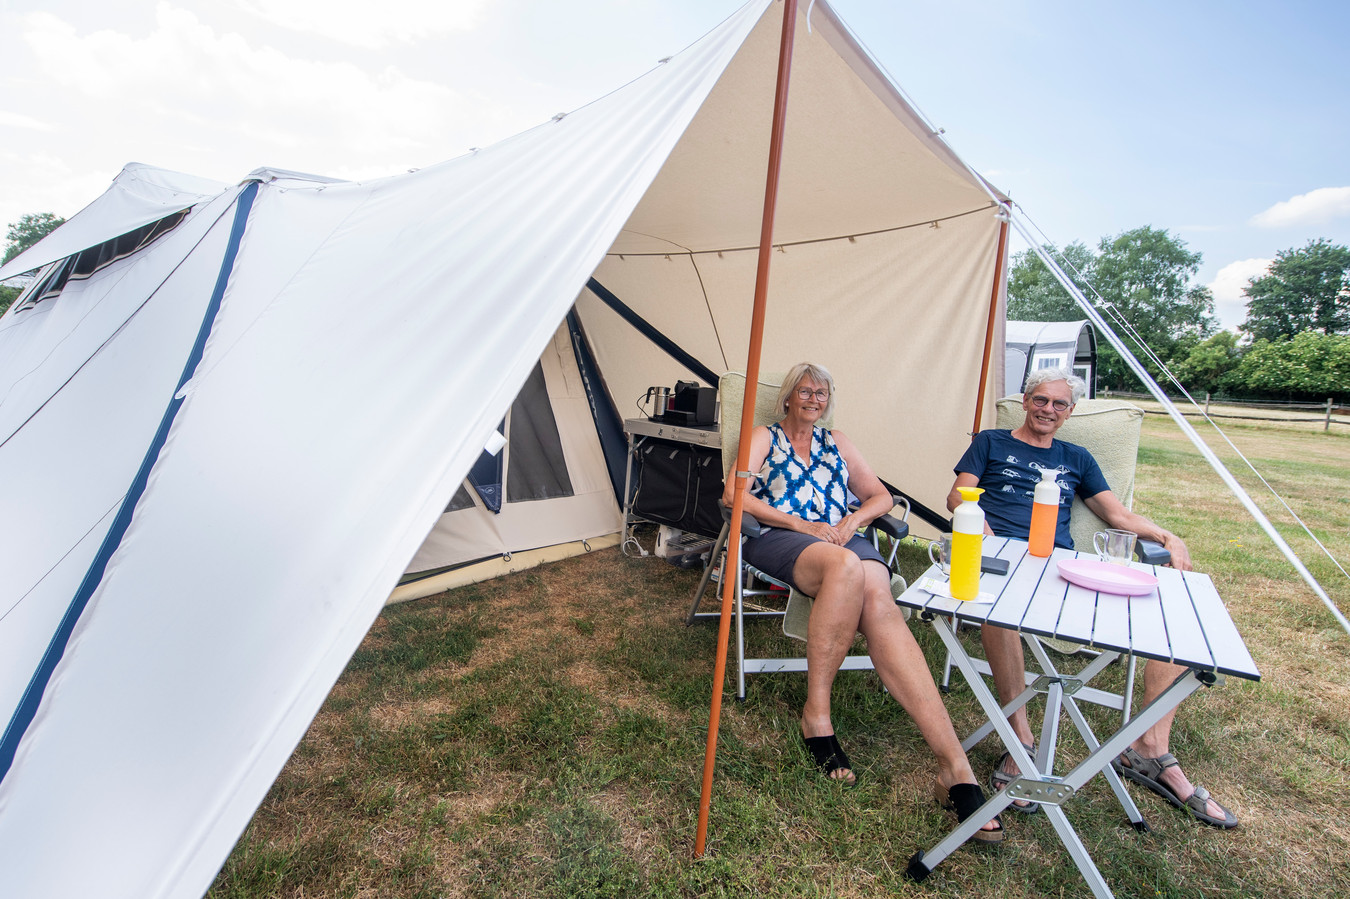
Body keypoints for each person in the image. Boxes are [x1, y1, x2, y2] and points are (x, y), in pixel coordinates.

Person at [947, 366, 1238, 828]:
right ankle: (1019, 738)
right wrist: (974, 517)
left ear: (1070, 412)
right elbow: (959, 491)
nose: (1048, 410)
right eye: (1041, 400)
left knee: (1175, 603)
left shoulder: (1076, 457)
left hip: (1056, 563)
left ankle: (1150, 747)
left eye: (1059, 404)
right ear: (1025, 401)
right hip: (999, 558)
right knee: (999, 613)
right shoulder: (991, 442)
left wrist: (1166, 534)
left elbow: (1115, 514)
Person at [731, 362, 1002, 842]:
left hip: (840, 535)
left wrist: (855, 520)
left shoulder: (838, 442)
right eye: (805, 390)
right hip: (779, 534)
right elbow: (736, 493)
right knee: (848, 568)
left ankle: (954, 768)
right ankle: (817, 715)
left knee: (880, 600)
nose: (814, 398)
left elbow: (880, 495)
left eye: (822, 392)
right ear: (788, 397)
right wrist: (803, 526)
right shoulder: (762, 436)